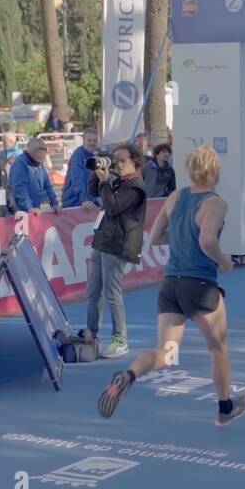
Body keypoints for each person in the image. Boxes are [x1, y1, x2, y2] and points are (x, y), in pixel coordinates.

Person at [97, 146, 245, 427]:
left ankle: (128, 375)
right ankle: (225, 407)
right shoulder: (215, 203)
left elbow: (155, 238)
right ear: (214, 170)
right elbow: (206, 241)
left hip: (171, 286)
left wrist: (182, 235)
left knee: (166, 354)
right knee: (218, 348)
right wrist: (225, 261)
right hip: (200, 285)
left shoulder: (176, 197)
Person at [85, 144, 149, 359]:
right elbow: (93, 191)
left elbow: (112, 207)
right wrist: (98, 174)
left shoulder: (136, 187)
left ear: (135, 162)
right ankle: (91, 334)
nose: (117, 164)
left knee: (112, 294)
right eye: (115, 160)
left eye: (122, 161)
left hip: (119, 243)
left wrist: (105, 182)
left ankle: (120, 340)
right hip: (102, 239)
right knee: (93, 292)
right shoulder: (116, 179)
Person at [10, 137, 61, 215]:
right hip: (21, 212)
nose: (39, 163)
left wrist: (54, 203)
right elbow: (20, 190)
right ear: (32, 153)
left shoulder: (39, 163)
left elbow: (47, 185)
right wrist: (29, 208)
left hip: (35, 208)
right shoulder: (20, 164)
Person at [61, 128, 101, 208]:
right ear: (84, 141)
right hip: (74, 202)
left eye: (95, 140)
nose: (92, 143)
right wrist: (84, 200)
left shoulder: (97, 155)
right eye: (89, 140)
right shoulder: (78, 155)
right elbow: (77, 179)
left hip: (90, 201)